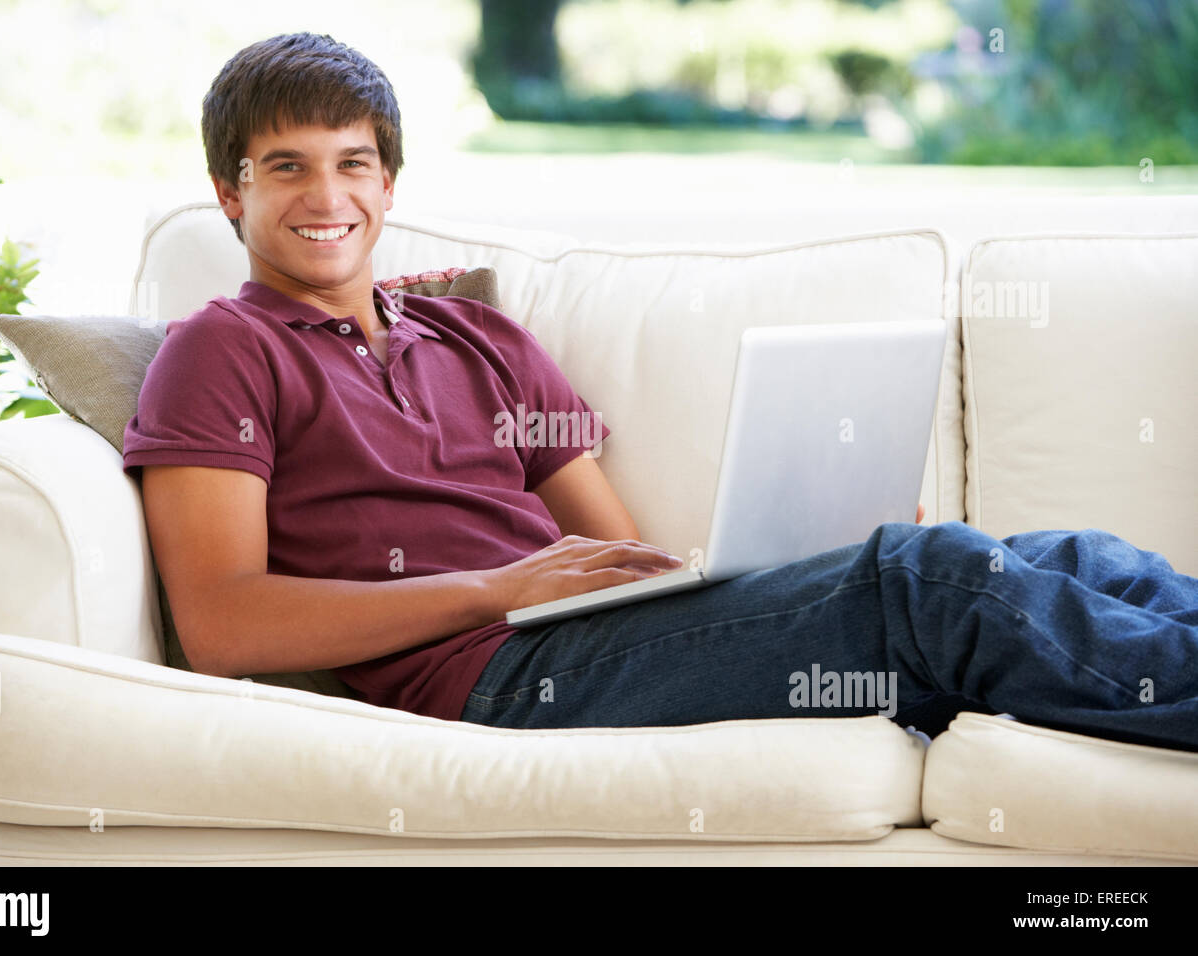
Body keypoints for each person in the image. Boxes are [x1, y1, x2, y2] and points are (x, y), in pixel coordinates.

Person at [123, 32, 1198, 753]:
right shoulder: (221, 351)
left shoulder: (477, 333)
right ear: (231, 191)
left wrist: (795, 556)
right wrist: (495, 589)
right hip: (494, 680)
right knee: (935, 580)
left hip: (587, 640)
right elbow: (221, 620)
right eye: (287, 167)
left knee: (1066, 556)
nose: (328, 194)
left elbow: (622, 559)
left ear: (388, 182)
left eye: (353, 163)